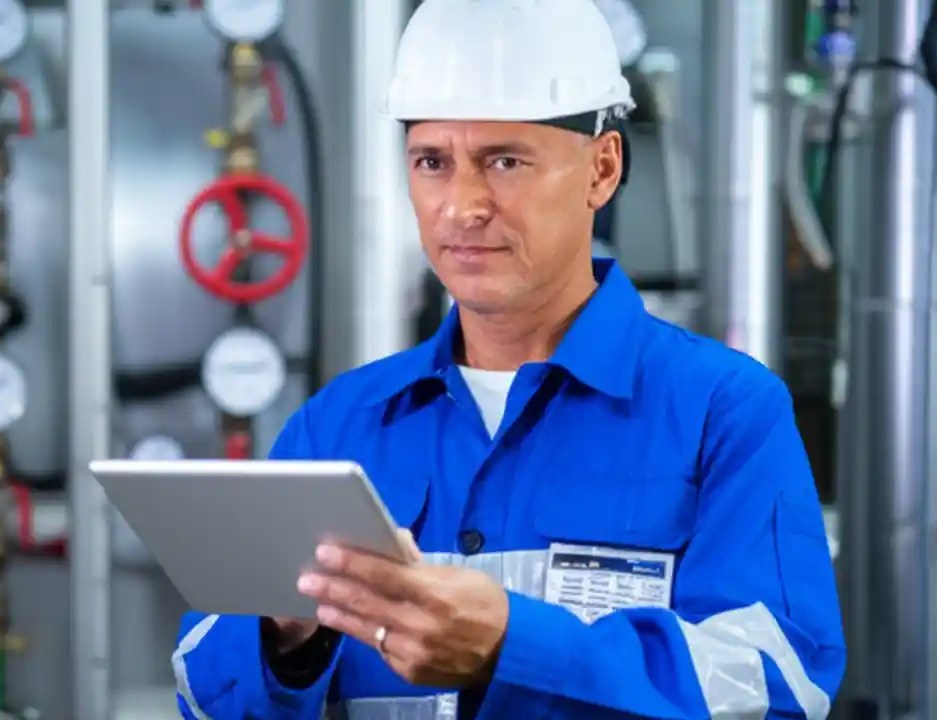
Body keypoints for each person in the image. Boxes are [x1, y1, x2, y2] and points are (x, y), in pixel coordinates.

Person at [172, 0, 846, 717]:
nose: (462, 206)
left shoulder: (722, 412)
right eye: (432, 162)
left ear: (602, 169)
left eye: (505, 161)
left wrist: (513, 646)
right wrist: (286, 637)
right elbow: (199, 691)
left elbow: (777, 687)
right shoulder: (337, 426)